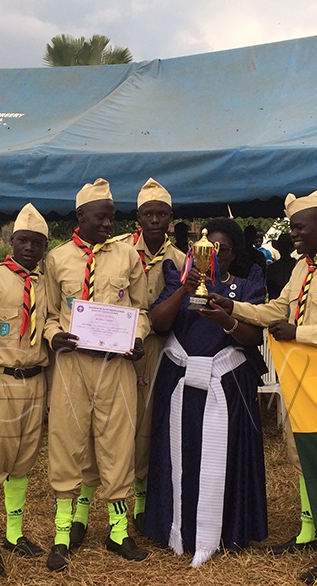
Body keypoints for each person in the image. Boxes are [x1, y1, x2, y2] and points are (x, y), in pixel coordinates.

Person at [210, 189, 317, 585]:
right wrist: (232, 307)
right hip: (300, 377)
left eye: (299, 228)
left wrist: (301, 332)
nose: (293, 234)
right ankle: (307, 531)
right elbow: (276, 309)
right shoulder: (302, 268)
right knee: (301, 452)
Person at [143, 218, 267, 564]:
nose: (214, 255)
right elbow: (158, 321)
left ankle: (227, 529)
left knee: (223, 455)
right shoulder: (177, 277)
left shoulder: (245, 285)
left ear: (233, 254)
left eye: (222, 249)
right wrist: (186, 287)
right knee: (180, 452)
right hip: (180, 378)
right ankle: (173, 525)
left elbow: (254, 335)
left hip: (227, 383)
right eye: (208, 249)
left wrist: (226, 320)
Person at [42, 178, 150, 572]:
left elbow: (142, 310)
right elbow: (49, 315)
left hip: (116, 364)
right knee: (67, 440)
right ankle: (62, 531)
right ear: (80, 216)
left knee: (117, 440)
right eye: (100, 218)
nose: (108, 224)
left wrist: (137, 337)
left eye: (111, 218)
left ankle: (118, 531)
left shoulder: (127, 257)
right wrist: (55, 337)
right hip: (72, 365)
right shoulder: (57, 259)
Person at [0, 203, 50, 576]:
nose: (30, 249)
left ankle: (14, 533)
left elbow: (50, 323)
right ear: (11, 240)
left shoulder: (46, 282)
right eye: (23, 241)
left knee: (23, 460)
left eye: (37, 243)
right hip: (1, 379)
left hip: (36, 380)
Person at [129, 179, 186, 532]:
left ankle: (145, 502)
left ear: (169, 217)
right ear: (138, 217)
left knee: (153, 423)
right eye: (148, 213)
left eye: (161, 214)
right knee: (126, 422)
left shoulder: (182, 260)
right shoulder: (119, 253)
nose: (154, 220)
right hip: (125, 350)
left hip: (164, 350)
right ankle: (119, 500)